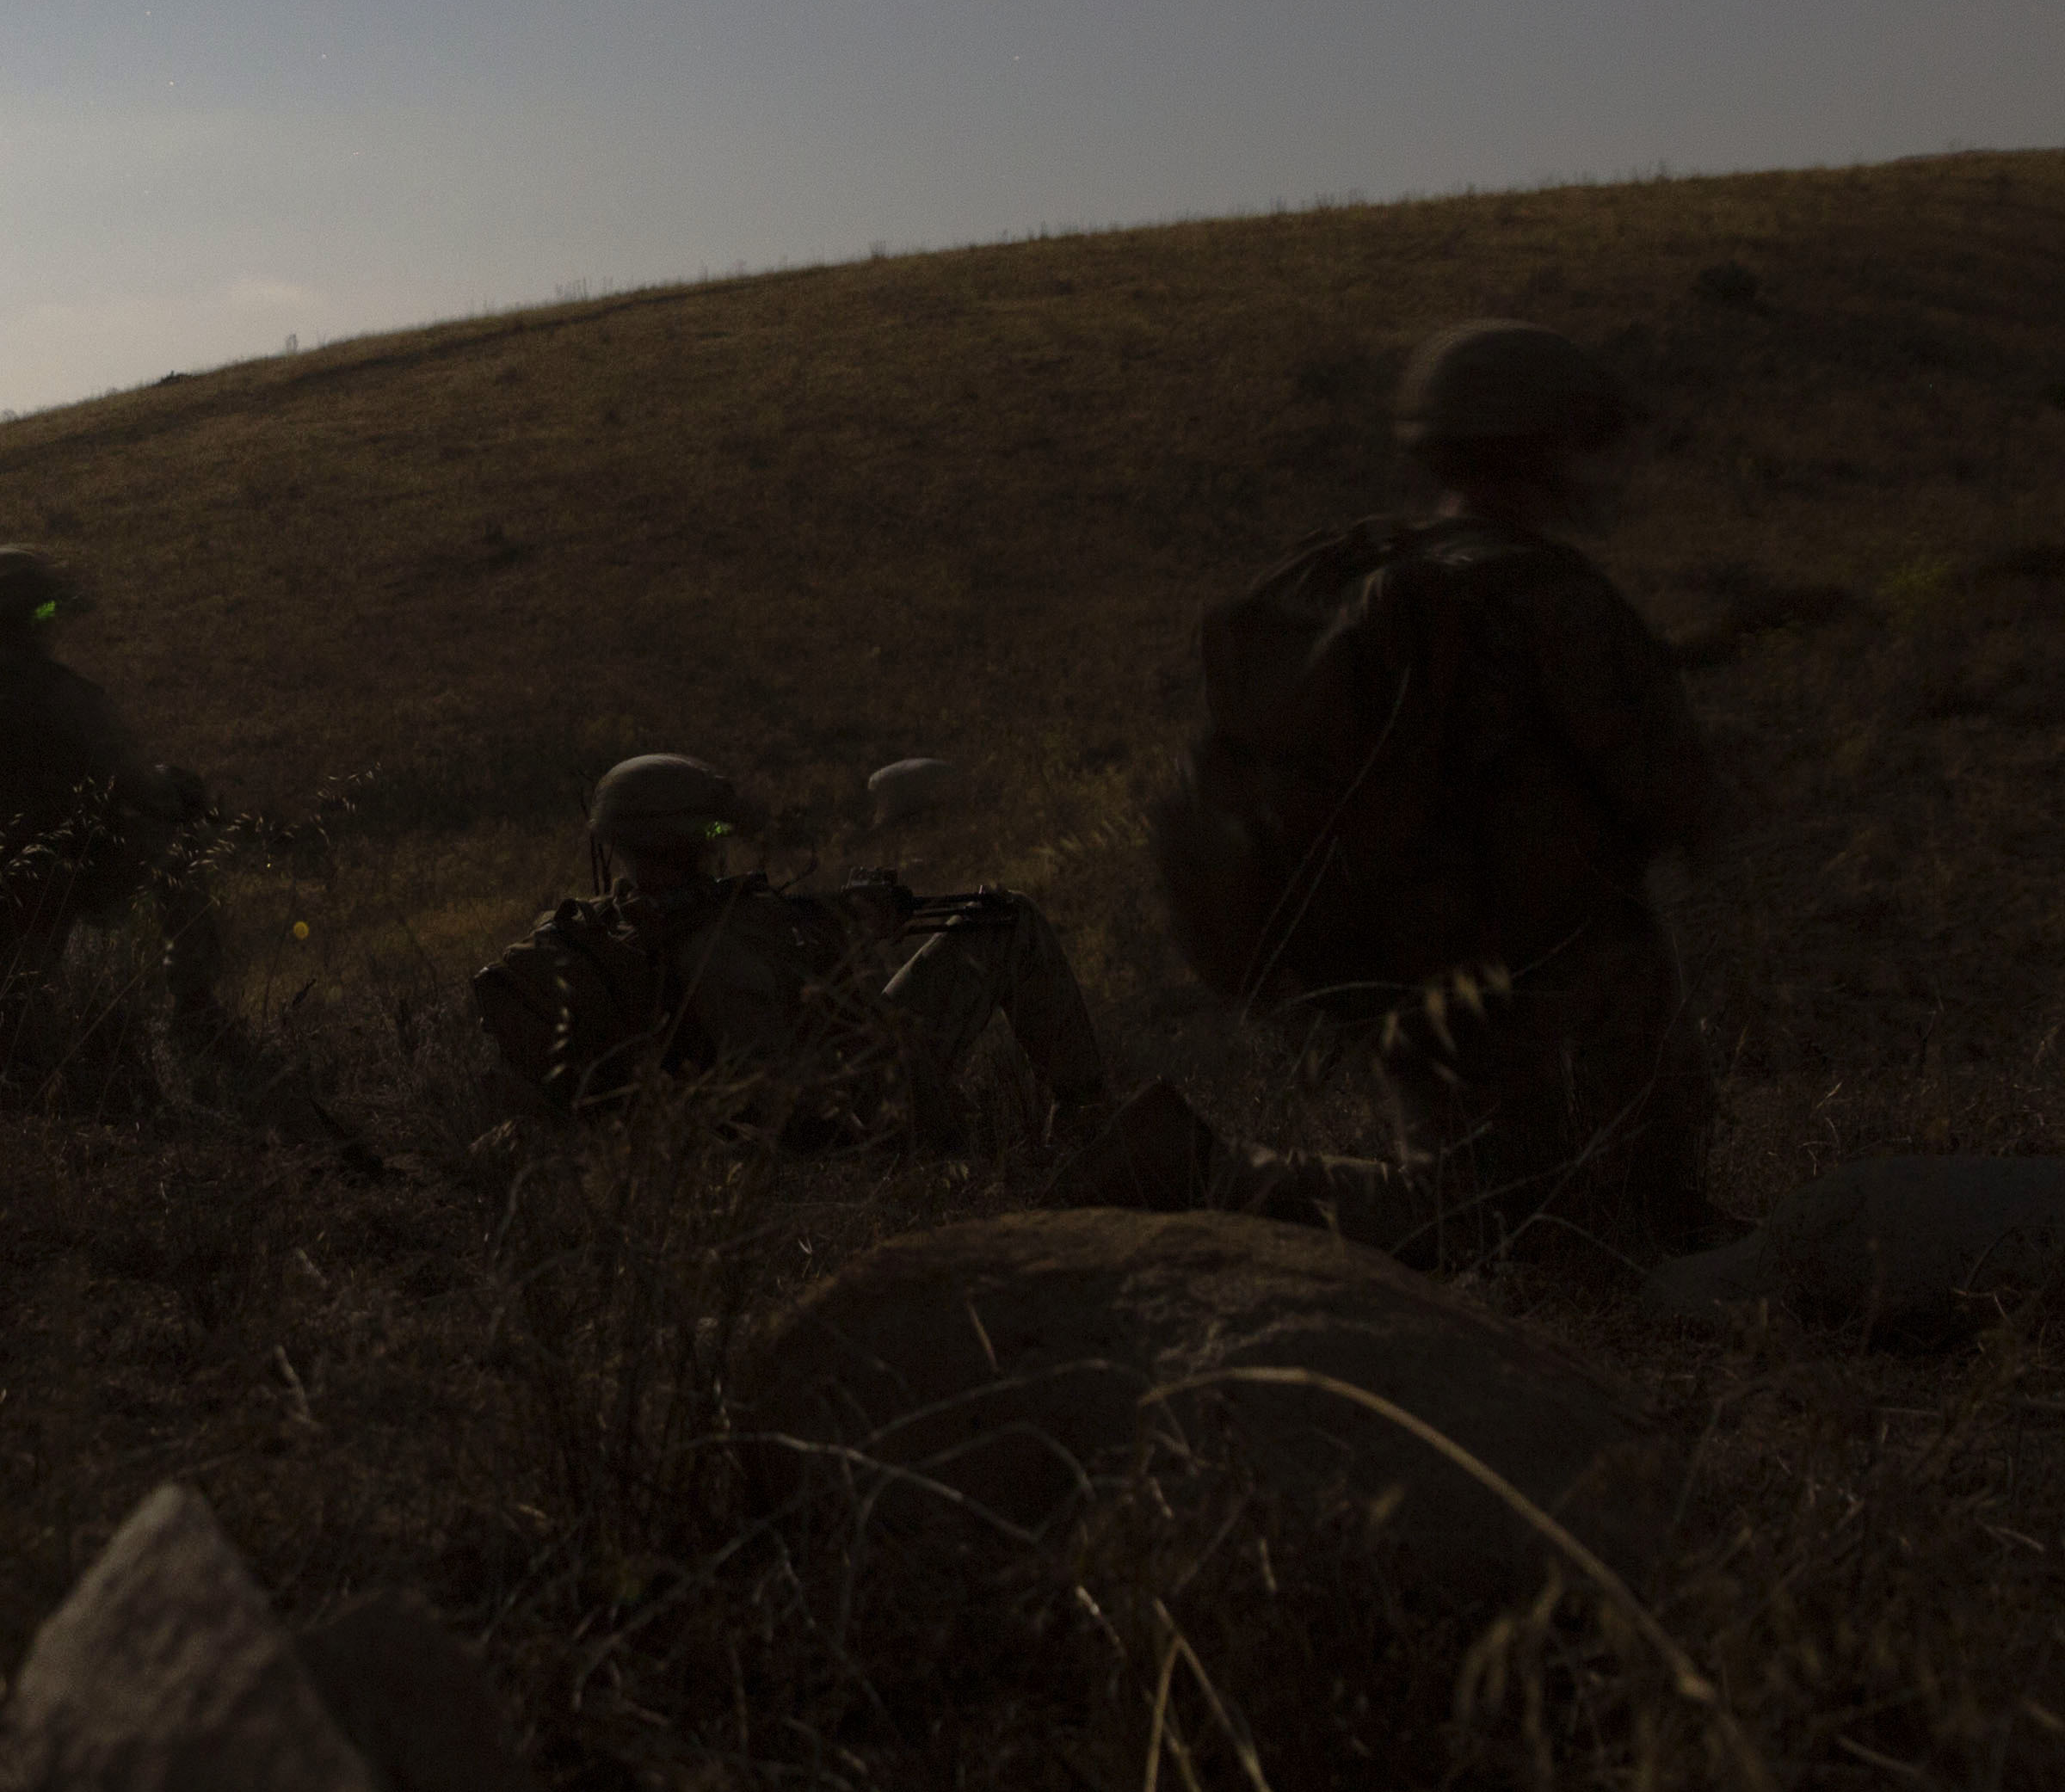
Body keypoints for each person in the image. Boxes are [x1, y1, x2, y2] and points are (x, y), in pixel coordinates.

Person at [1059, 321, 1725, 1264]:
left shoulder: (1367, 572)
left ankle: (1203, 1170)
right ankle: (1202, 1173)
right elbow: (1673, 794)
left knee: (1571, 1220)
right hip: (1558, 976)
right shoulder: (1546, 594)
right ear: (1538, 444)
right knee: (1534, 1233)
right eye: (1587, 435)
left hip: (1416, 971)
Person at [473, 753, 1112, 1147]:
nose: (721, 842)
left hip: (789, 1104)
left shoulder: (618, 922)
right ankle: (1088, 1120)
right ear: (686, 838)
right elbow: (792, 1102)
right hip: (847, 1118)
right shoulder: (713, 952)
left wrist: (846, 931)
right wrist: (853, 966)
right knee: (1009, 921)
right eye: (714, 831)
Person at [0, 545, 230, 1065]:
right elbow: (141, 790)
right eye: (47, 611)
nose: (54, 622)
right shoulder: (65, 696)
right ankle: (196, 1010)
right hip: (40, 887)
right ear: (37, 617)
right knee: (179, 845)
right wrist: (180, 793)